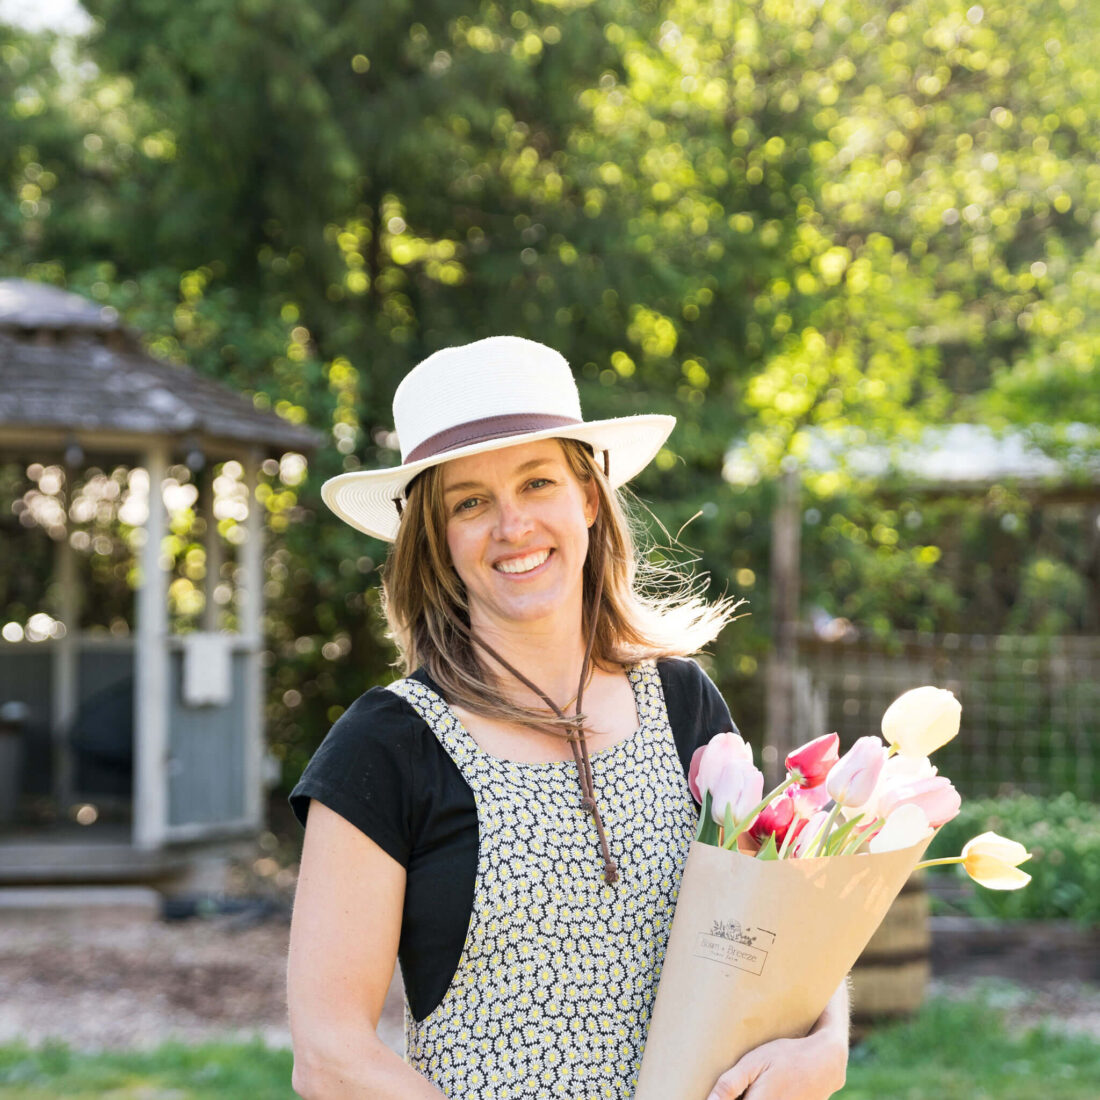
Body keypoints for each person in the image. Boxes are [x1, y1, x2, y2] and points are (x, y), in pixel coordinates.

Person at [285, 336, 849, 1099]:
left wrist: (827, 1044)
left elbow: (781, 917)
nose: (512, 525)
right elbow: (329, 1054)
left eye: (537, 482)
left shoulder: (684, 705)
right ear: (438, 537)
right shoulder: (387, 747)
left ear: (588, 497)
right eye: (470, 502)